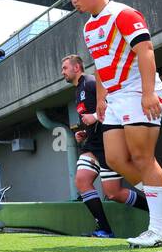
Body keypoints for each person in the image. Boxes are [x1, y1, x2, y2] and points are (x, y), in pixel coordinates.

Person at [63, 0, 162, 248]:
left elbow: (145, 51)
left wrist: (147, 94)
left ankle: (159, 230)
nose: (74, 0)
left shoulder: (123, 13)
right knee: (116, 159)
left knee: (143, 158)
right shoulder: (88, 27)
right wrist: (101, 102)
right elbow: (102, 65)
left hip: (138, 92)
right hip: (116, 99)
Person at [59, 53, 144, 238]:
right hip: (92, 145)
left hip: (107, 143)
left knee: (114, 194)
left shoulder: (90, 83)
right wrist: (83, 131)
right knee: (82, 181)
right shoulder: (77, 90)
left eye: (65, 68)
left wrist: (95, 117)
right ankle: (104, 229)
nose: (62, 72)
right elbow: (91, 115)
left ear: (76, 67)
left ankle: (157, 213)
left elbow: (112, 103)